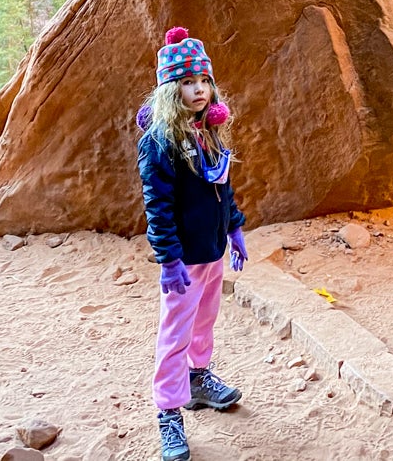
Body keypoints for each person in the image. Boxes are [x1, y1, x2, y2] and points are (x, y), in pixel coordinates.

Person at [136, 27, 248, 461]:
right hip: (183, 260)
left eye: (203, 81)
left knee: (204, 321)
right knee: (175, 333)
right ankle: (168, 411)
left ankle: (199, 381)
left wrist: (233, 227)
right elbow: (157, 206)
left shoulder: (208, 130)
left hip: (212, 250)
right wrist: (168, 259)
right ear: (171, 88)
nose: (198, 89)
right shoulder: (159, 142)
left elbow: (223, 185)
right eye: (187, 82)